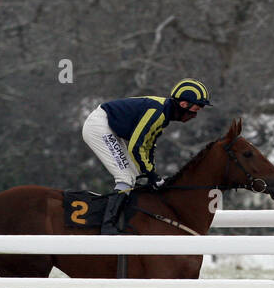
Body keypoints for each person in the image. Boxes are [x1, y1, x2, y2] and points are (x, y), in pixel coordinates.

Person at [81, 78, 212, 233]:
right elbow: (136, 146)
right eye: (195, 110)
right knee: (125, 177)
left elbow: (148, 146)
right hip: (100, 126)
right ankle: (108, 227)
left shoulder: (164, 115)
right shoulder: (157, 113)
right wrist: (152, 175)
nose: (194, 115)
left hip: (111, 128)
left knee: (134, 175)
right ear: (184, 104)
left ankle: (125, 220)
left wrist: (151, 173)